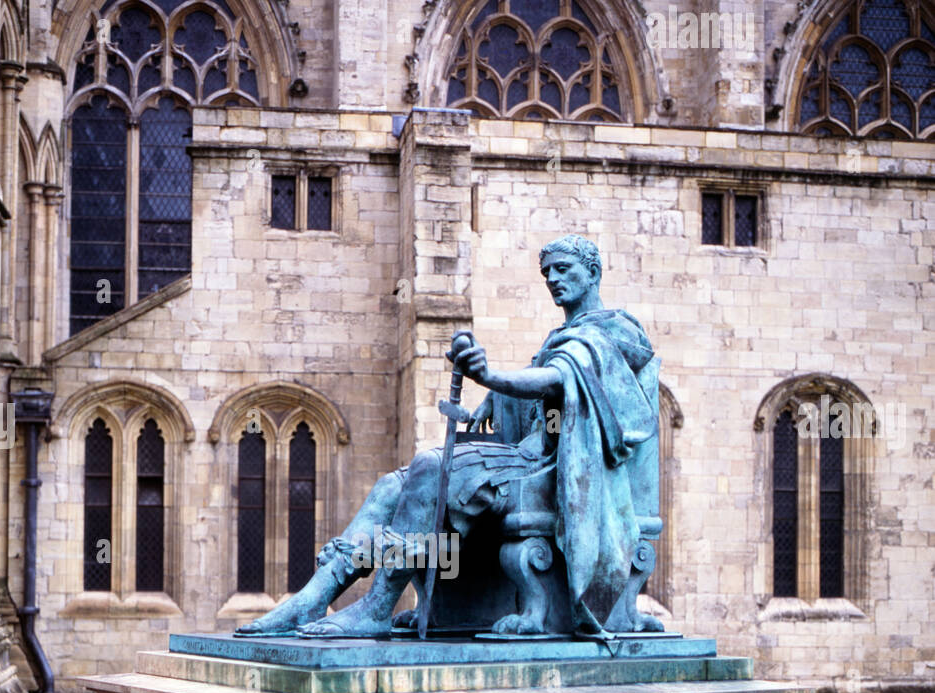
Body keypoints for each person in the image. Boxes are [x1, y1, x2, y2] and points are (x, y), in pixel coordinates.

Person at [235, 234, 658, 638]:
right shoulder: (562, 337)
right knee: (389, 487)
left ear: (593, 272)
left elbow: (563, 377)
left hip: (557, 471)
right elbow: (546, 392)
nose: (553, 280)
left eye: (563, 270)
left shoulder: (614, 331)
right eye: (547, 273)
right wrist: (499, 397)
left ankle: (379, 606)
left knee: (430, 466)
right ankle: (313, 596)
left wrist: (494, 377)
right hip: (527, 458)